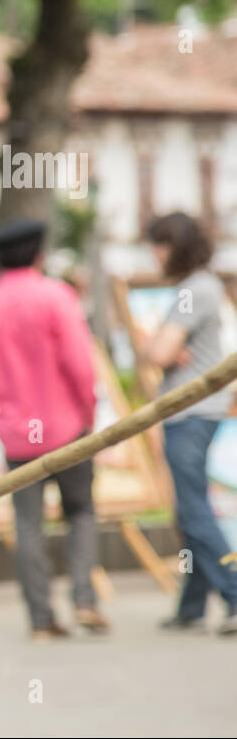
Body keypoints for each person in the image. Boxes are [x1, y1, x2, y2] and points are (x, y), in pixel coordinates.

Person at [0, 218, 109, 640]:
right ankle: (84, 600)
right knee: (80, 511)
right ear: (40, 254)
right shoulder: (57, 297)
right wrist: (89, 412)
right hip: (69, 430)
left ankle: (41, 620)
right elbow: (81, 366)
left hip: (19, 438)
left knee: (28, 525)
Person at [145, 212, 237, 635]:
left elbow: (160, 352)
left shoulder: (195, 288)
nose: (156, 254)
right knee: (189, 509)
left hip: (190, 412)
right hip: (195, 411)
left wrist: (156, 343)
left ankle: (234, 593)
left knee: (195, 510)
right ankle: (192, 603)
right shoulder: (201, 286)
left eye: (161, 245)